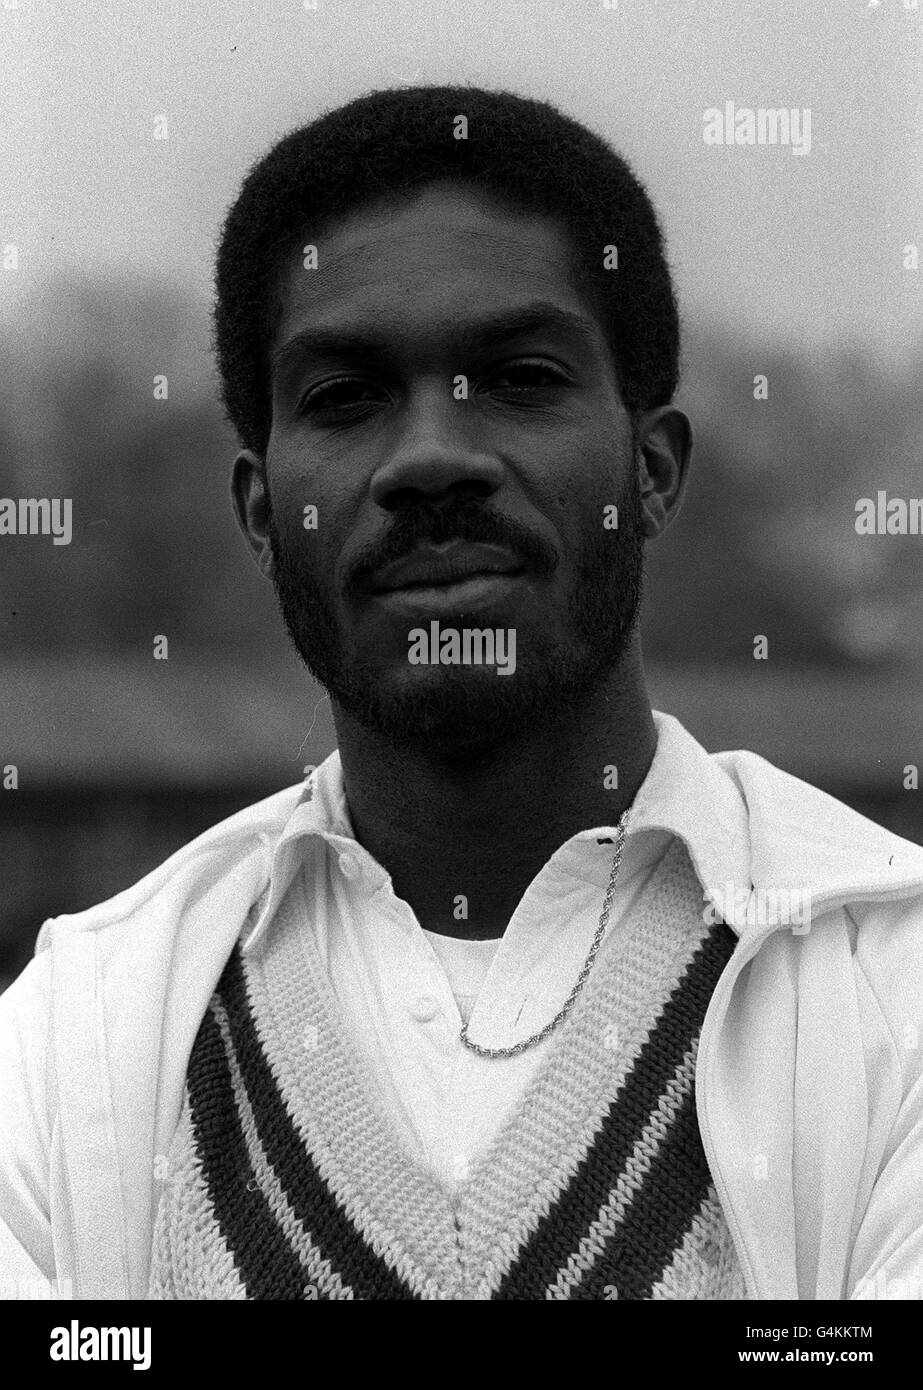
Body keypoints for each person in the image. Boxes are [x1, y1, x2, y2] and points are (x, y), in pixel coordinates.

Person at [2, 85, 922, 1302]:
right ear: (261, 514)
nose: (432, 456)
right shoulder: (77, 1035)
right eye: (344, 396)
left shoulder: (886, 986)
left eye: (520, 374)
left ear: (648, 472)